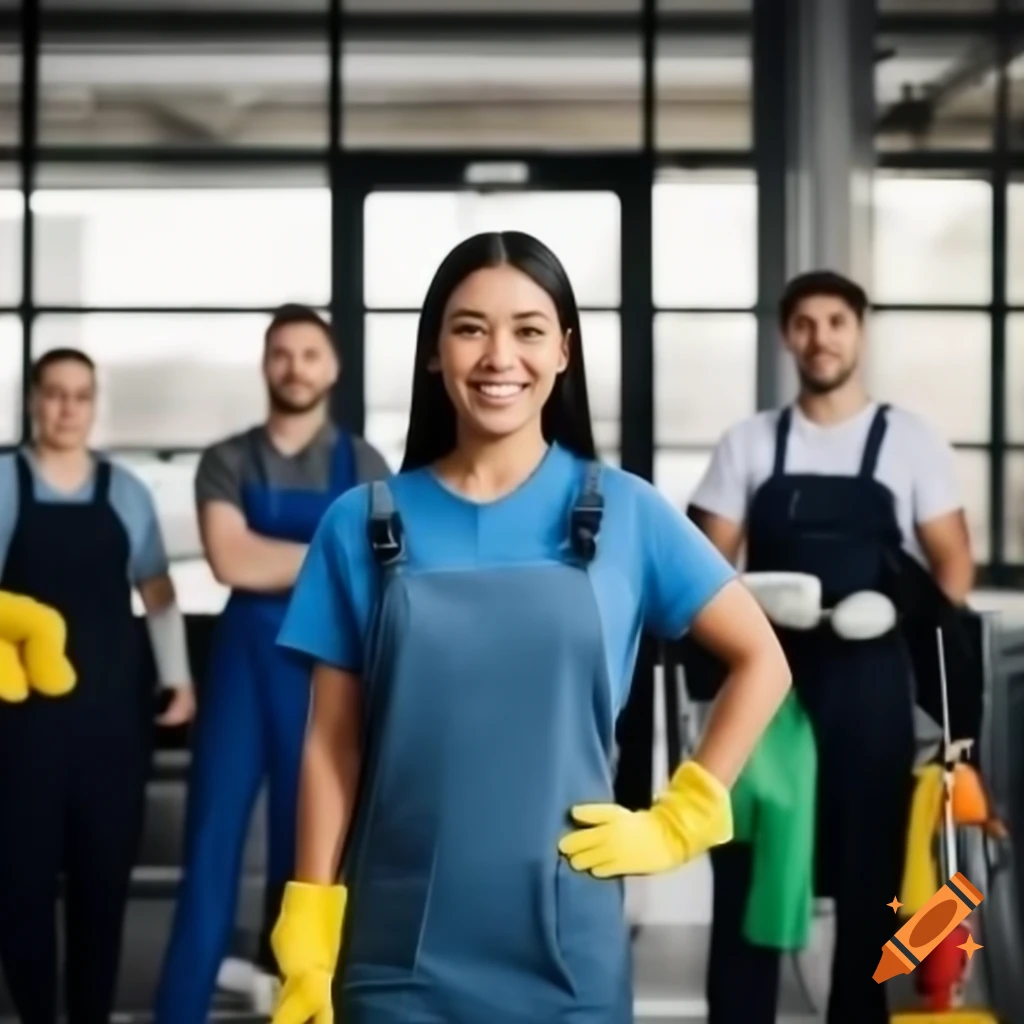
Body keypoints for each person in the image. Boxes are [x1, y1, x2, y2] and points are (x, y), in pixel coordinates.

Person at [264, 231, 792, 1024]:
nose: (498, 356)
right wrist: (309, 929)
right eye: (470, 328)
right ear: (434, 351)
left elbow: (762, 659)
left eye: (529, 330)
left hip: (568, 946)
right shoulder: (360, 525)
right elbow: (331, 744)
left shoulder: (627, 512)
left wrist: (681, 819)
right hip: (396, 947)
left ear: (564, 351)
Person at [688, 271, 975, 1024]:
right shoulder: (749, 443)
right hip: (767, 685)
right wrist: (757, 604)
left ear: (859, 332)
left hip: (870, 682)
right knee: (747, 859)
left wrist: (898, 613)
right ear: (787, 336)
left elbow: (953, 569)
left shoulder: (908, 441)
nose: (821, 339)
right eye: (805, 324)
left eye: (836, 322)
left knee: (868, 876)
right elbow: (699, 569)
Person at [155, 304, 391, 1023]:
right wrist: (333, 554)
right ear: (265, 364)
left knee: (313, 865)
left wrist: (274, 557)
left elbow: (383, 571)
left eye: (310, 353)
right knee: (210, 853)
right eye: (282, 353)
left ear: (333, 367)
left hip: (327, 677)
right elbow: (231, 560)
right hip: (240, 676)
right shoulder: (227, 459)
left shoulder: (367, 465)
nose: (295, 367)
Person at [0, 347, 195, 1024]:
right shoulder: (4, 483)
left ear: (93, 404)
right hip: (19, 730)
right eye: (55, 393)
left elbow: (159, 595)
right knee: (18, 889)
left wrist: (178, 679)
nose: (67, 408)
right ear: (33, 399)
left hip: (112, 725)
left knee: (102, 891)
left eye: (81, 395)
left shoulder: (125, 491)